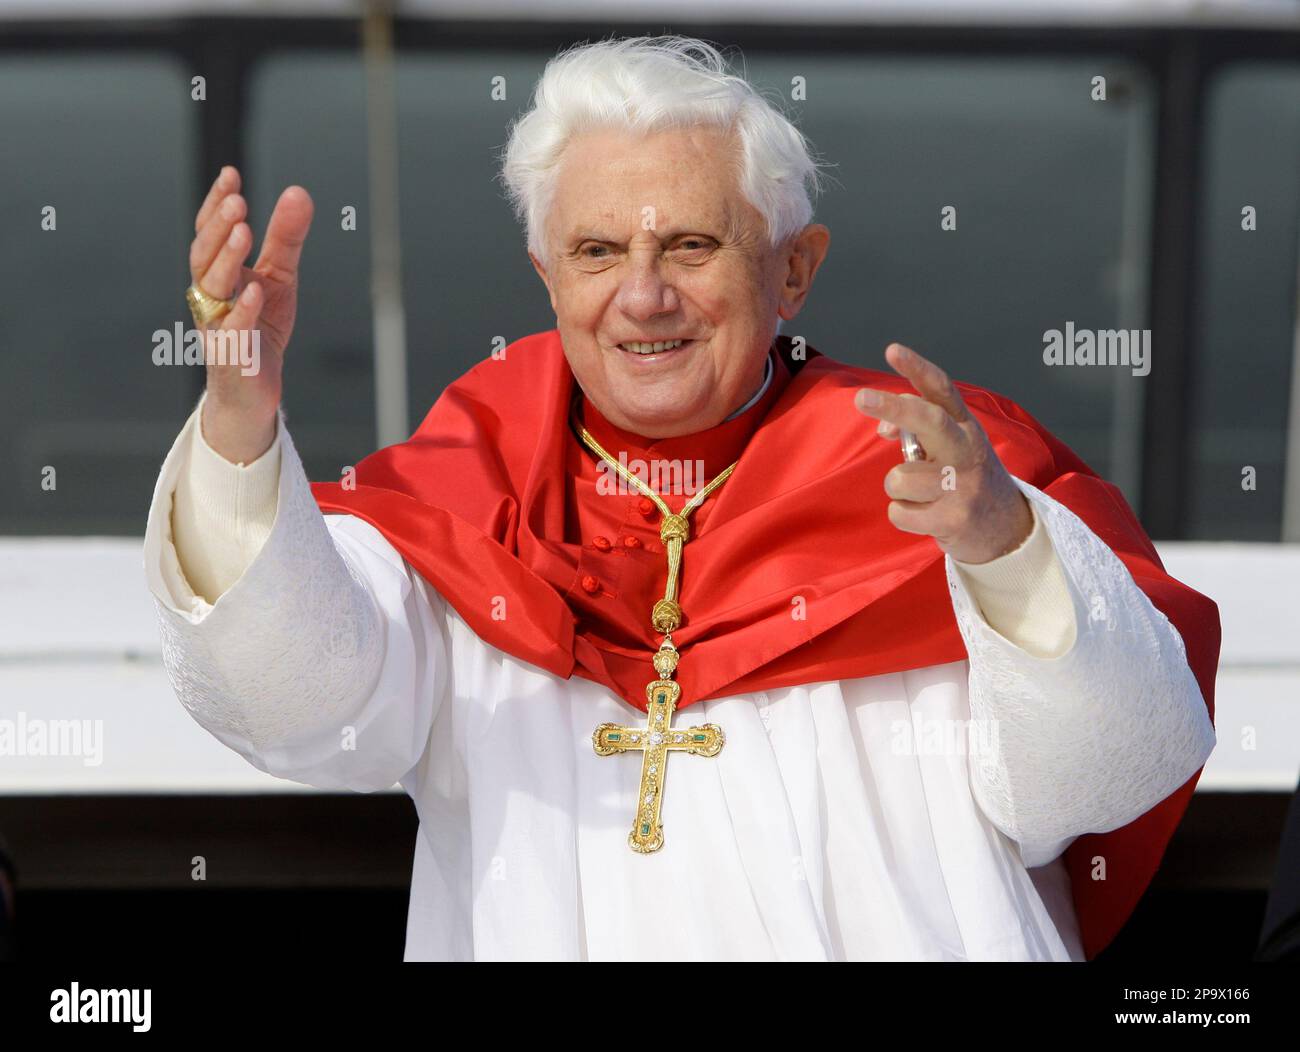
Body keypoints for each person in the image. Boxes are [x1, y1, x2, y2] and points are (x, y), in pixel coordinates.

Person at [144, 35, 1217, 961]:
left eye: (691, 245)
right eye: (597, 250)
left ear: (794, 270)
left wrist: (1003, 554)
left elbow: (1100, 779)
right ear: (546, 274)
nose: (642, 294)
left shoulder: (954, 484)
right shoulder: (459, 494)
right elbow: (299, 709)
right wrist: (241, 426)